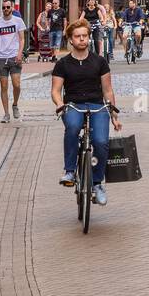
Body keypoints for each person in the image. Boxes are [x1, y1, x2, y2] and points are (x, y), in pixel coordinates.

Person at [51, 17, 121, 205]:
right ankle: (70, 171)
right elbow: (56, 90)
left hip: (97, 106)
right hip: (73, 105)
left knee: (100, 141)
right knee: (72, 128)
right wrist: (59, 103)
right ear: (71, 40)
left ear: (89, 38)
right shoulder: (63, 64)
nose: (81, 39)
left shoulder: (99, 62)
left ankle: (97, 183)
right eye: (77, 36)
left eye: (84, 36)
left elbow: (107, 90)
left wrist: (114, 116)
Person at [0, 0, 26, 122]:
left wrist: (19, 53)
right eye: (3, 7)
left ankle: (15, 104)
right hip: (1, 57)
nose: (6, 9)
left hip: (14, 56)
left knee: (16, 84)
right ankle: (6, 114)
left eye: (8, 7)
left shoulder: (18, 21)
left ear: (12, 8)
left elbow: (22, 39)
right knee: (4, 86)